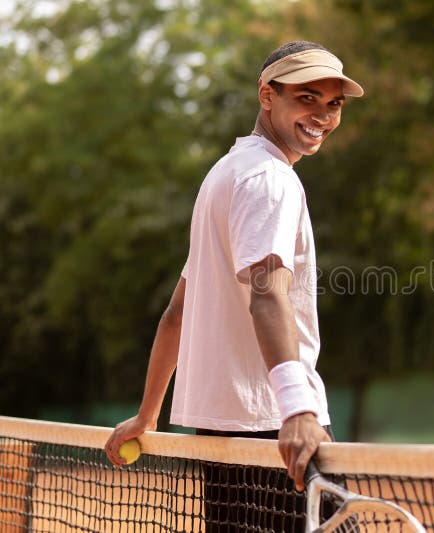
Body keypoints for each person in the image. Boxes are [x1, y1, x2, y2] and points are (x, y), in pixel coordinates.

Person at [103, 40, 364, 531]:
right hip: (276, 429)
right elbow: (267, 294)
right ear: (268, 96)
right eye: (306, 98)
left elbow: (179, 311)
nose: (323, 116)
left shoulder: (225, 174)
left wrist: (147, 414)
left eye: (334, 104)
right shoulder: (270, 180)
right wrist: (298, 409)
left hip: (225, 434)